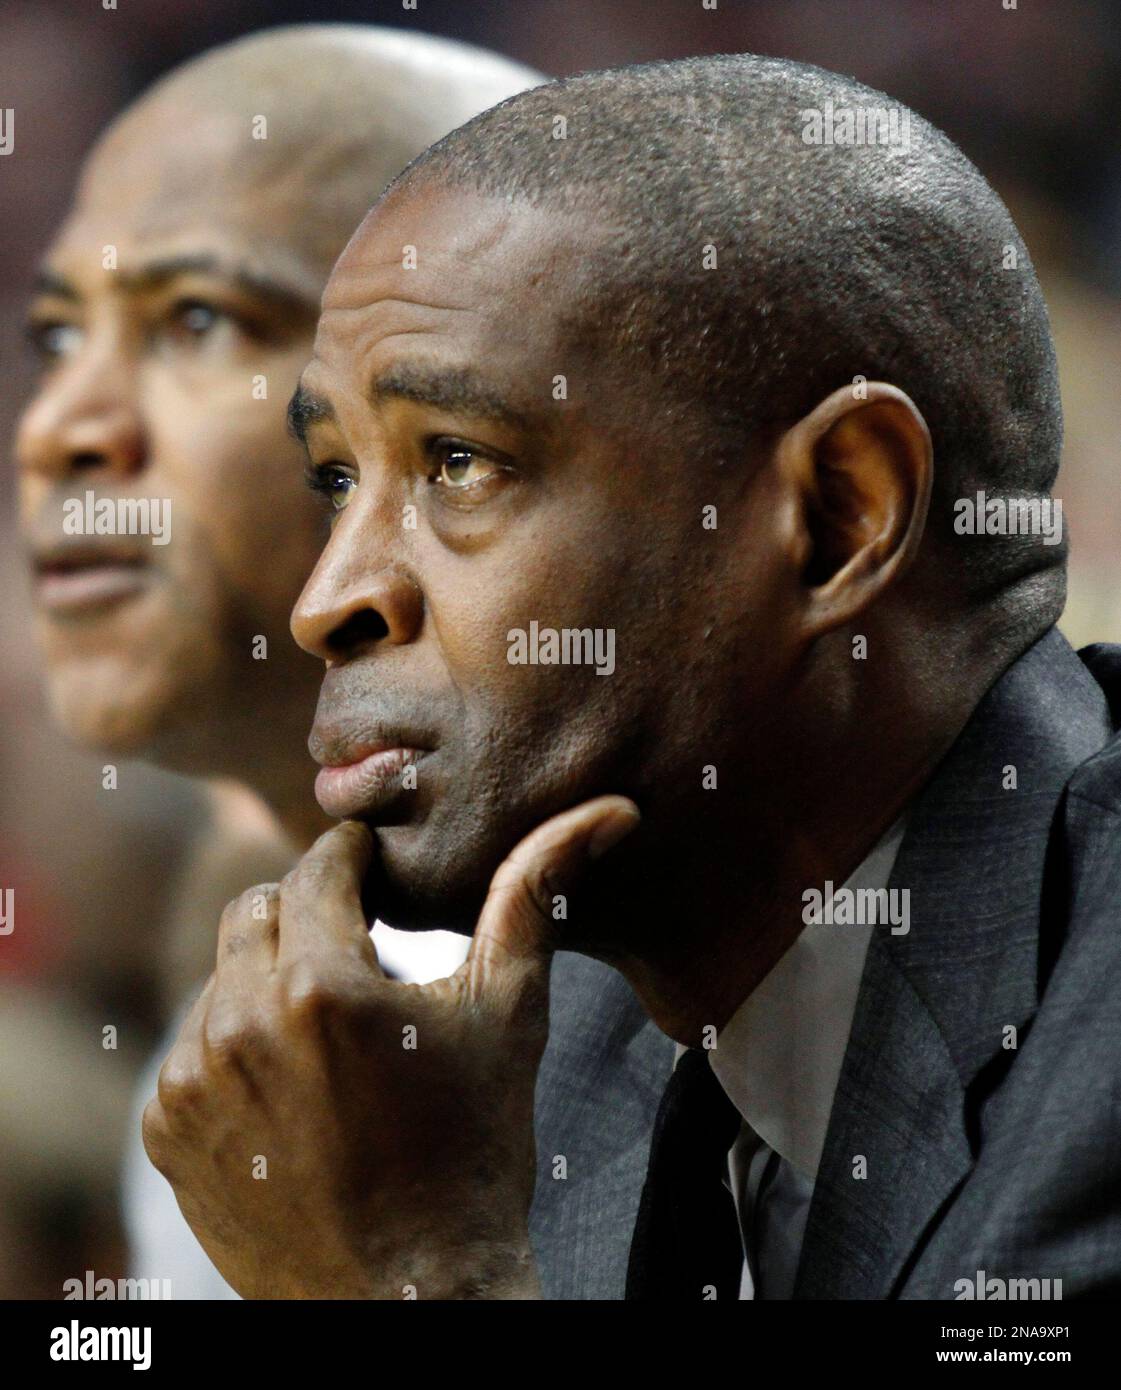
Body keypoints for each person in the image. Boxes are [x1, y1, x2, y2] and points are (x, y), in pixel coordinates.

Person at [143, 53, 1121, 1300]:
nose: (326, 599)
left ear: (839, 511)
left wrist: (413, 1275)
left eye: (456, 462)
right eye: (338, 478)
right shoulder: (515, 1056)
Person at [15, 23, 652, 1299]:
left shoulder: (703, 1009)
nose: (58, 430)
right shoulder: (249, 1040)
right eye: (57, 335)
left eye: (197, 319)